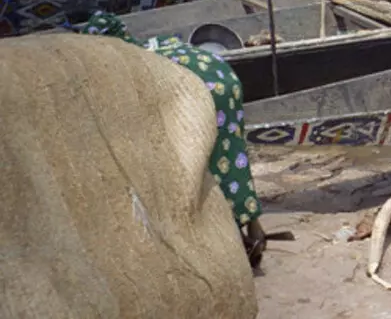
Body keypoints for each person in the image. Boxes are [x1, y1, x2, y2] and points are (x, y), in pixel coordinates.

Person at [79, 13, 267, 264]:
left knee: (209, 166)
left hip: (204, 89)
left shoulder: (127, 66)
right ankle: (254, 228)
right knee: (234, 156)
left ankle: (231, 239)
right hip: (223, 76)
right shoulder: (151, 45)